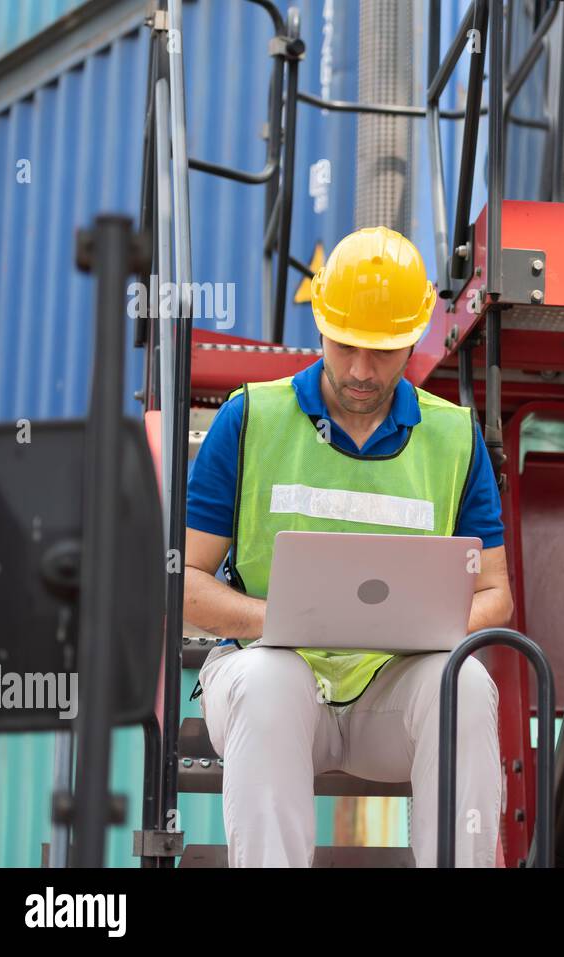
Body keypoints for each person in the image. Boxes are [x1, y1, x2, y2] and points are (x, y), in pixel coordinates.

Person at [182, 226, 511, 867]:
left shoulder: (455, 439)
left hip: (387, 698)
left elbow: (496, 594)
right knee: (270, 676)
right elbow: (186, 582)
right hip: (270, 684)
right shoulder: (249, 419)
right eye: (346, 346)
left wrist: (421, 628)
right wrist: (276, 623)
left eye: (384, 352)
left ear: (415, 336)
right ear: (321, 327)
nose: (361, 371)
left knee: (465, 684)